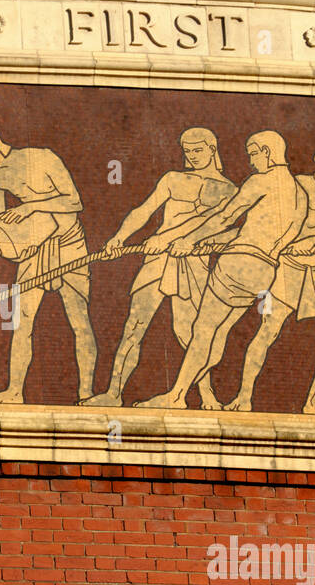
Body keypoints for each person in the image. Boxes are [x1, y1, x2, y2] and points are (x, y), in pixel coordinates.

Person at [136, 131, 306, 409]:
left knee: (203, 330)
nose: (251, 162)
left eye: (253, 154)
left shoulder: (261, 181)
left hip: (237, 263)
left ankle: (176, 396)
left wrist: (188, 240)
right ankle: (189, 393)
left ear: (267, 152)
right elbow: (277, 237)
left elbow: (226, 217)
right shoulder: (300, 193)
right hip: (264, 272)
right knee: (221, 331)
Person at [82, 127, 236, 408]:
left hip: (193, 264)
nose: (193, 156)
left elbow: (229, 231)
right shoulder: (173, 179)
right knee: (135, 326)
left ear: (212, 149)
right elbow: (144, 210)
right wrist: (119, 238)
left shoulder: (229, 190)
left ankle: (206, 394)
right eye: (188, 151)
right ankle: (114, 394)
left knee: (190, 331)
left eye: (198, 150)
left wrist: (183, 241)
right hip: (158, 260)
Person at [226, 137, 315, 415]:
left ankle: (314, 402)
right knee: (268, 331)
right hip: (286, 272)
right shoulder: (298, 184)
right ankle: (243, 399)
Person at [0, 125, 96, 403]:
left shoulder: (42, 158)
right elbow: (1, 222)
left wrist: (31, 206)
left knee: (80, 321)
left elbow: (74, 201)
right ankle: (14, 391)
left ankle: (86, 394)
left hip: (69, 242)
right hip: (34, 249)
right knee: (21, 322)